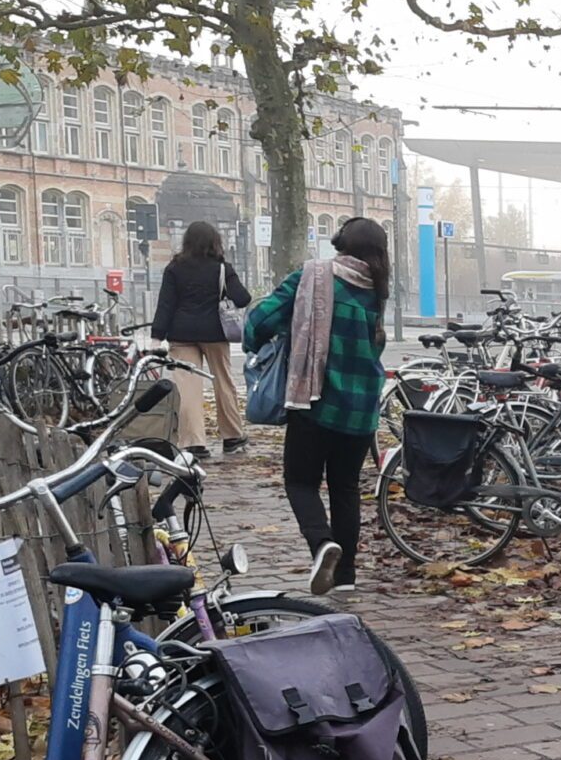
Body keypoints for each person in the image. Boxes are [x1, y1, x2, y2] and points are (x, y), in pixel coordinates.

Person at [245, 217, 388, 596]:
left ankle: (321, 544)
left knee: (300, 481)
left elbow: (261, 319)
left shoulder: (313, 276)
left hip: (315, 398)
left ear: (340, 242)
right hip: (361, 407)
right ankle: (346, 577)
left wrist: (257, 341)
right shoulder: (377, 286)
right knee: (346, 487)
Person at [150, 221, 252, 459]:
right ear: (215, 243)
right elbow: (243, 298)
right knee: (223, 384)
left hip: (181, 334)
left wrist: (157, 336)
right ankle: (232, 437)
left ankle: (194, 443)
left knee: (188, 389)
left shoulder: (174, 268)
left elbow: (165, 304)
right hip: (215, 333)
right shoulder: (222, 269)